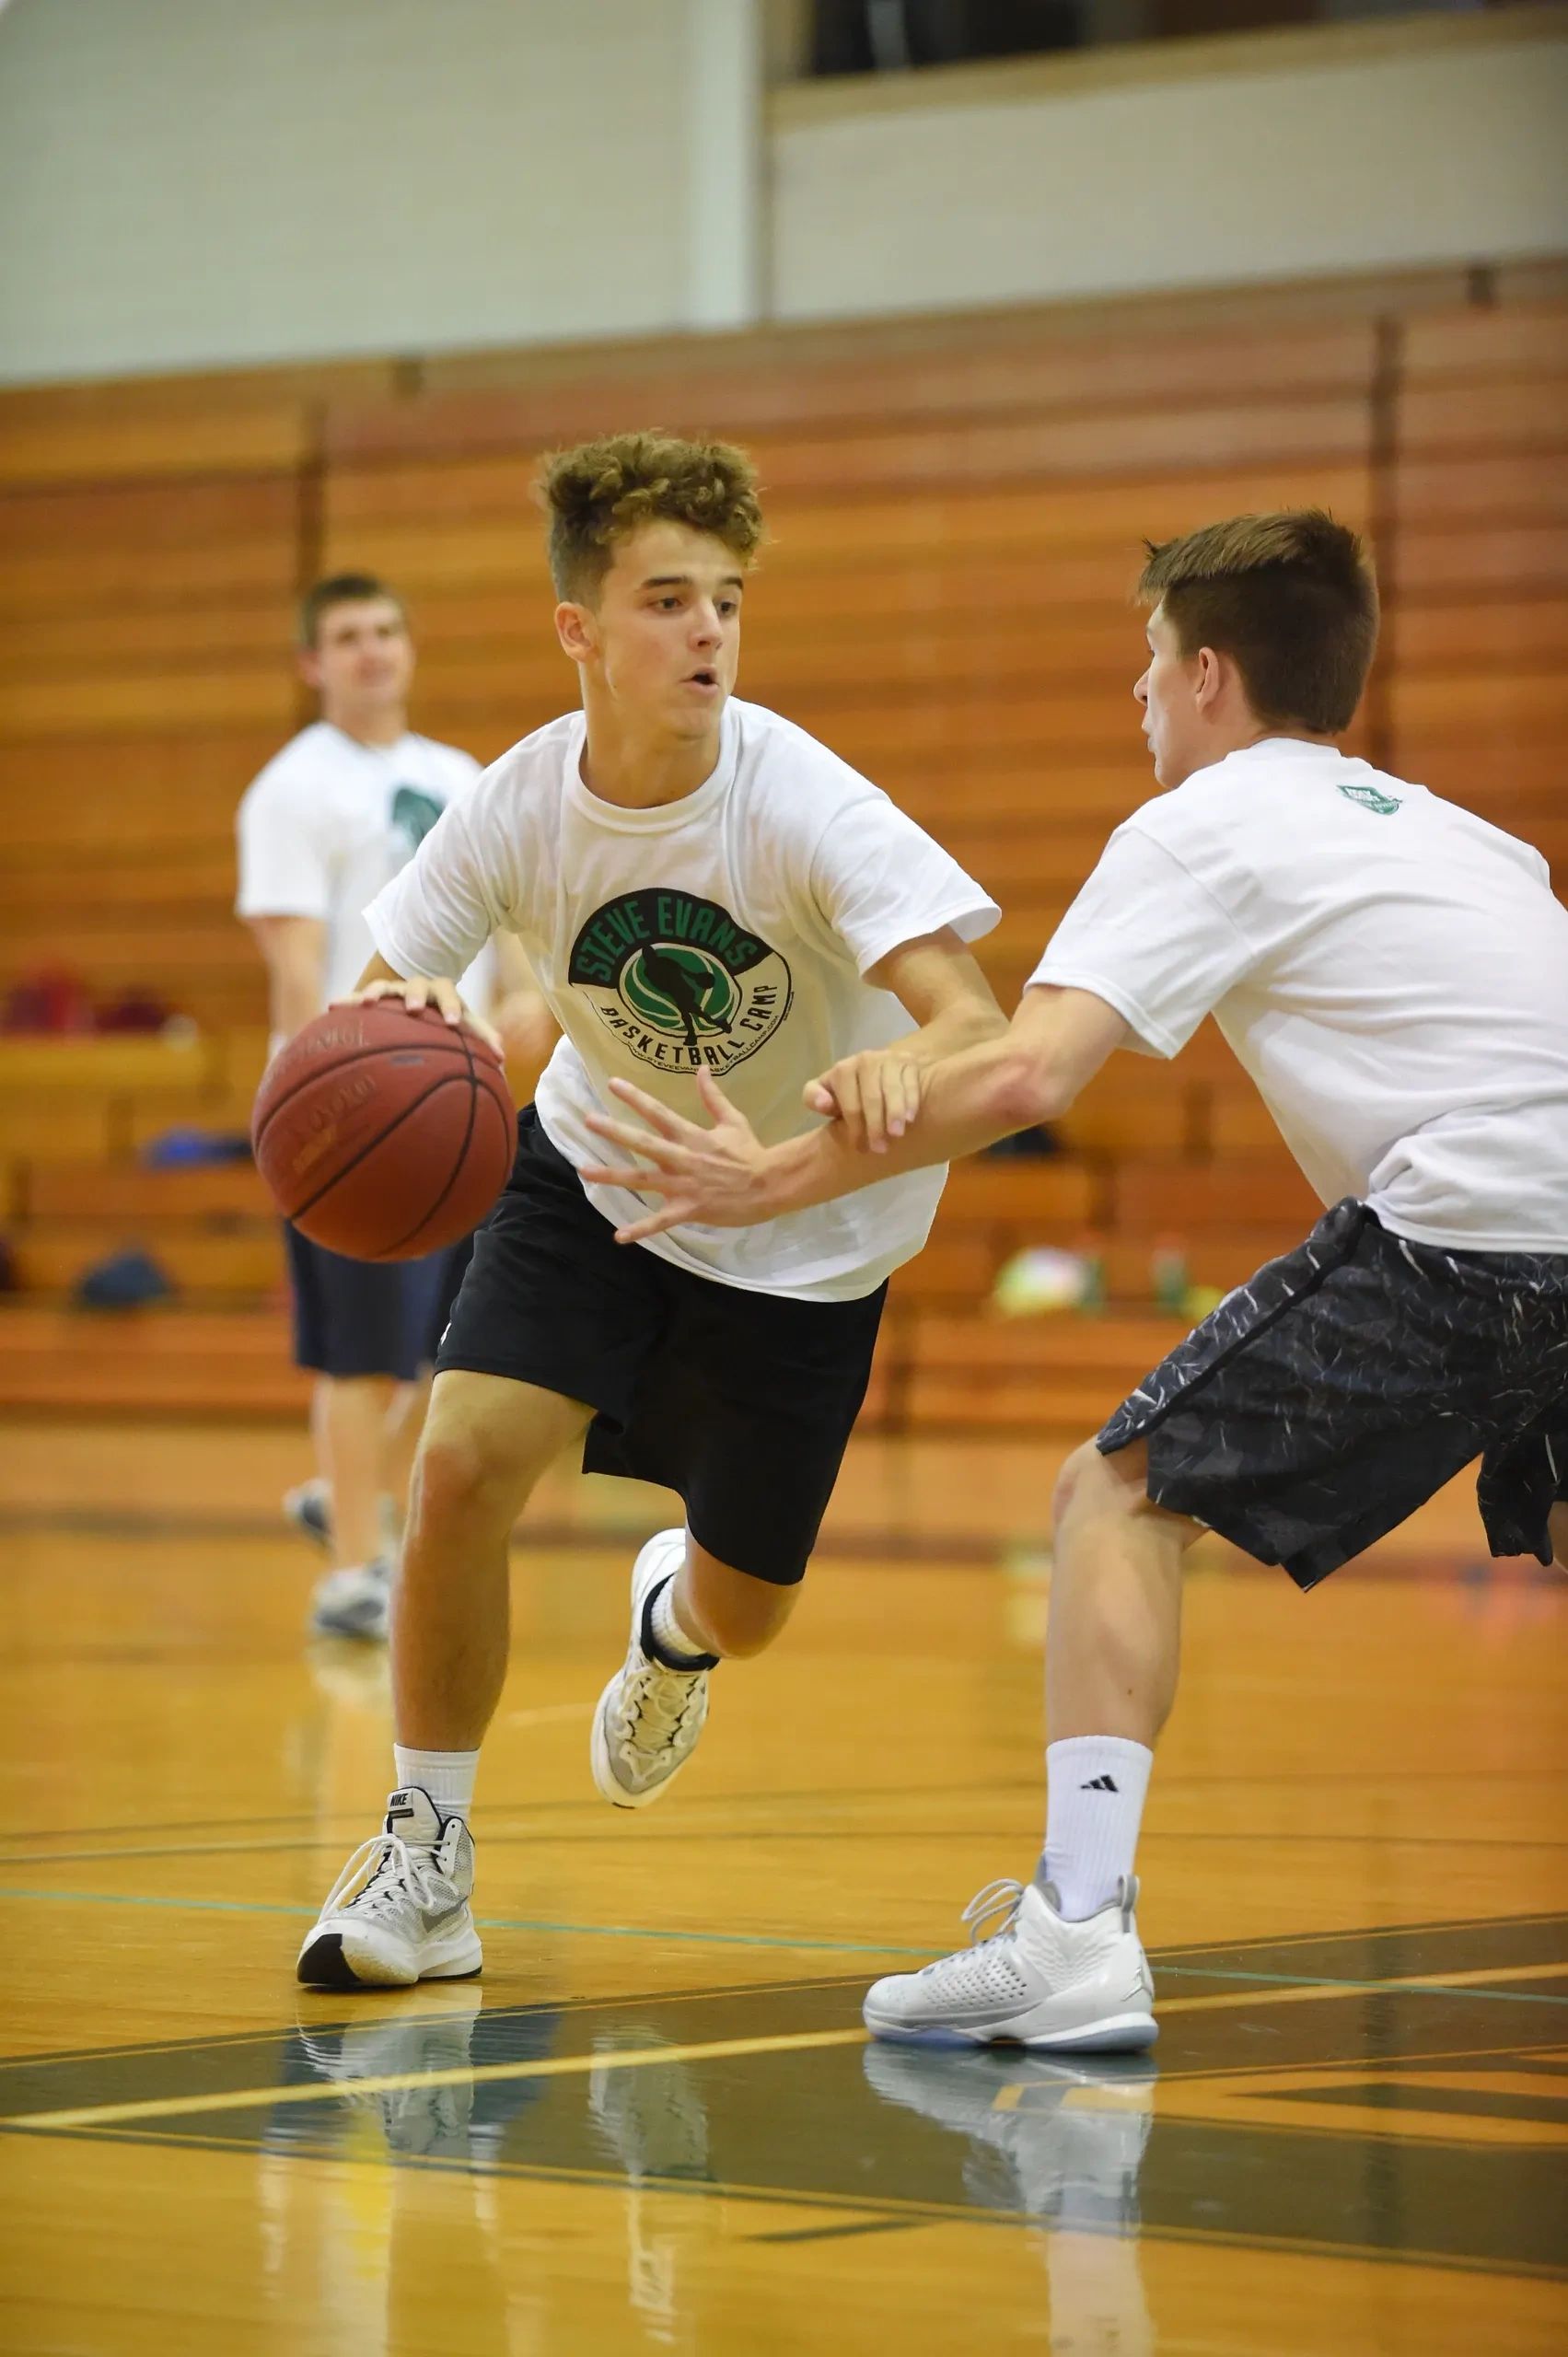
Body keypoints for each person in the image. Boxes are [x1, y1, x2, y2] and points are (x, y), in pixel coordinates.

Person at [583, 508, 1568, 2051]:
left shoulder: (1204, 823)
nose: (1134, 695)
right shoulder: (1468, 839)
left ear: (1210, 679)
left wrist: (771, 1177)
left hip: (1471, 1223)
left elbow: (1025, 1075)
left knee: (1115, 1497)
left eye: (1148, 662)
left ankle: (1075, 1933)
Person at [294, 433, 1005, 1990]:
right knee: (460, 1464)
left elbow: (973, 1021)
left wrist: (906, 1074)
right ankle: (427, 1855)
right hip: (592, 1178)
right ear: (581, 632)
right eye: (667, 600)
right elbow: (383, 985)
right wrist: (411, 1004)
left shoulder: (803, 801)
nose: (706, 634)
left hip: (804, 1239)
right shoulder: (516, 802)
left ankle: (671, 1630)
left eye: (727, 601)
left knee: (746, 1613)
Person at [238, 574, 549, 1643]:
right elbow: (291, 965)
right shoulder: (290, 790)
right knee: (359, 1353)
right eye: (345, 637)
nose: (371, 651)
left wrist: (518, 1003)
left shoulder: (457, 775)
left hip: (459, 1101)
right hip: (354, 1113)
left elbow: (505, 924)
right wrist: (314, 1090)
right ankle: (353, 1573)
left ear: (410, 649)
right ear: (311, 664)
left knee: (460, 1348)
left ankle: (346, 1491)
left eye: (385, 631)